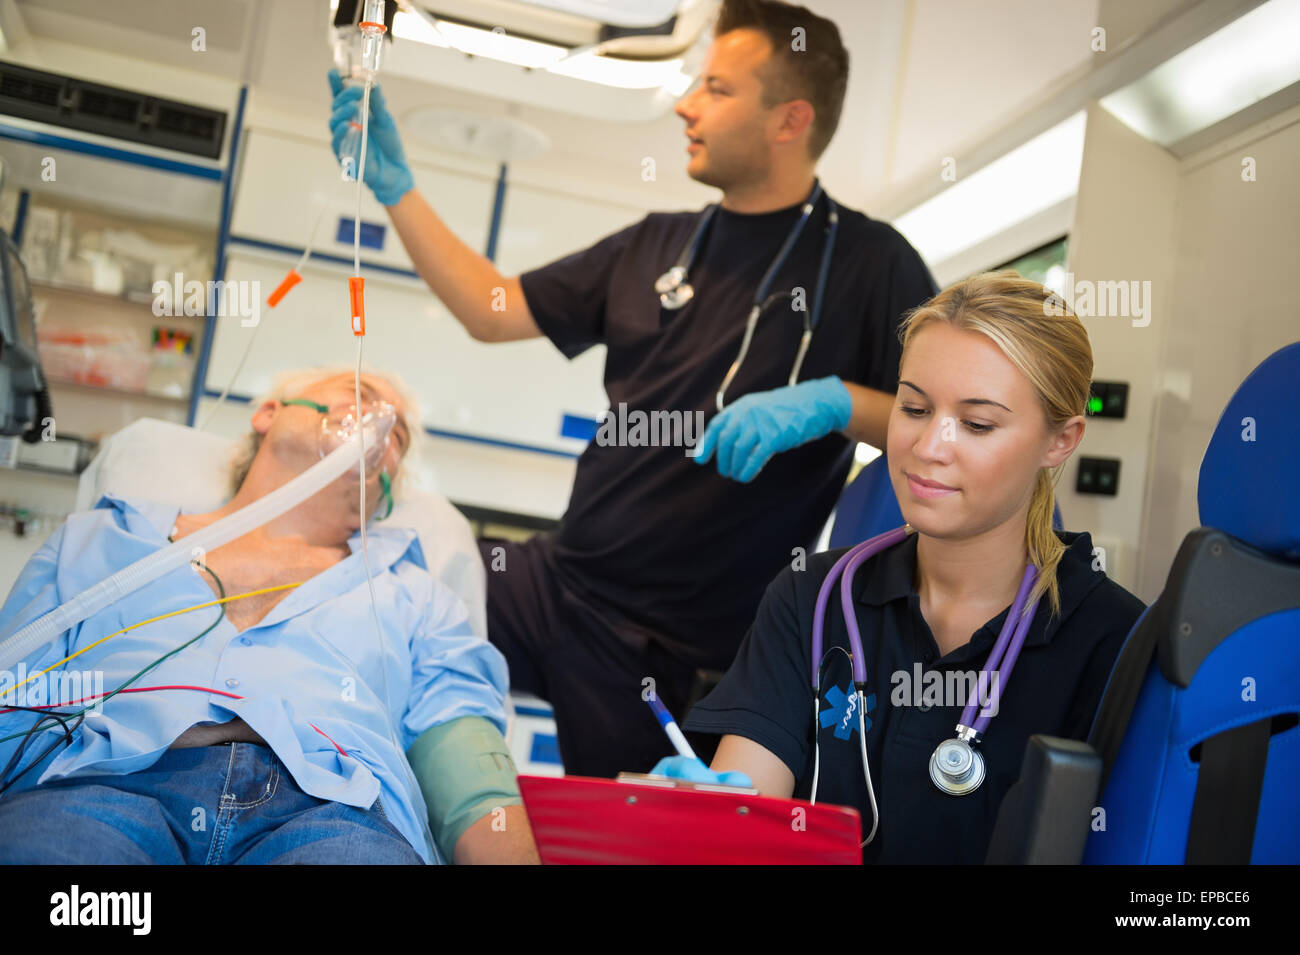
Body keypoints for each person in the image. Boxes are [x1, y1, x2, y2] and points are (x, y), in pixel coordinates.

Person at [326, 0, 937, 777]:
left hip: (670, 654)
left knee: (633, 839)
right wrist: (396, 187)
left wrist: (836, 401)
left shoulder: (872, 264)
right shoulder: (657, 241)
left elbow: (939, 417)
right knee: (373, 574)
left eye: (716, 88)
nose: (685, 105)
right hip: (554, 583)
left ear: (790, 121)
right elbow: (493, 310)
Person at [659, 272, 1146, 864]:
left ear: (1060, 441)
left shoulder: (1114, 643)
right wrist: (709, 822)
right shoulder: (811, 599)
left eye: (977, 424)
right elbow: (745, 813)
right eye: (914, 407)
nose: (930, 445)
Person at [0, 369, 538, 865]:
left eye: (397, 437)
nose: (380, 422)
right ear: (269, 413)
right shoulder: (99, 540)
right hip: (104, 786)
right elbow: (11, 698)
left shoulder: (415, 596)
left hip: (330, 813)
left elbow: (468, 770)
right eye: (360, 394)